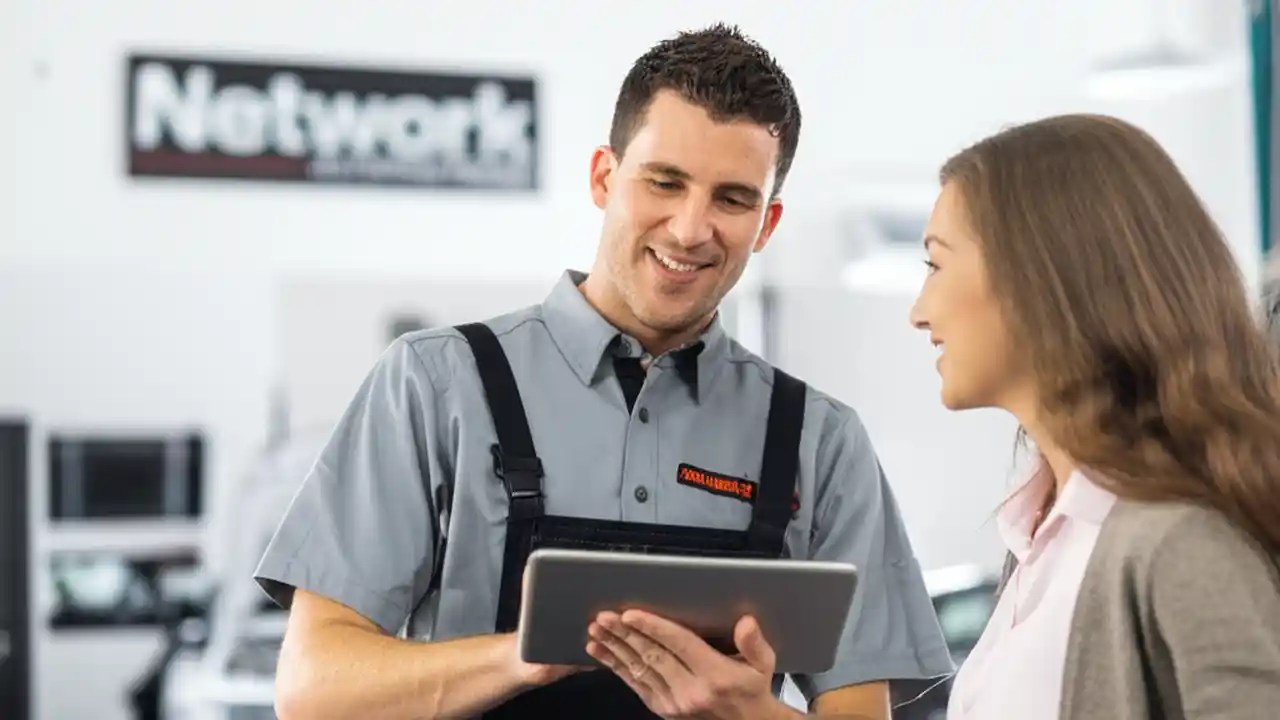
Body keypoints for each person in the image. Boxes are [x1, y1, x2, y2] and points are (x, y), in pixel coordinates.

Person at [255, 23, 953, 720]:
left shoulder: (819, 443)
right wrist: (521, 657)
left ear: (766, 224)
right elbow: (314, 692)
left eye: (731, 199)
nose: (689, 228)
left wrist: (753, 715)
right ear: (604, 177)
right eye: (665, 182)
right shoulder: (435, 386)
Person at [909, 113, 1280, 719]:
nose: (919, 312)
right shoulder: (1042, 540)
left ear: (1038, 277)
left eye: (936, 264)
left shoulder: (1176, 541)